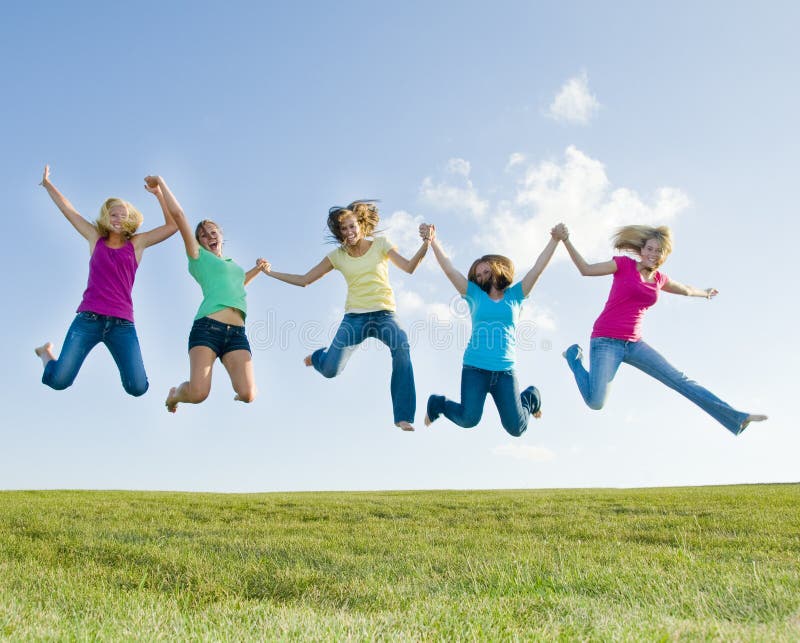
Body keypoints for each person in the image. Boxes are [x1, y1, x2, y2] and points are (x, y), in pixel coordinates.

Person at [557, 223, 767, 435]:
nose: (653, 254)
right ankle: (574, 359)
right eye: (650, 249)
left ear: (663, 255)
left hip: (634, 343)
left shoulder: (659, 279)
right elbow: (586, 269)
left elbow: (685, 290)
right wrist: (566, 240)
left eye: (658, 251)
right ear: (642, 250)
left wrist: (705, 293)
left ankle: (737, 418)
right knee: (595, 402)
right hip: (606, 340)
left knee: (679, 380)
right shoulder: (623, 265)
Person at [261, 201, 430, 431]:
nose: (349, 233)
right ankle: (319, 356)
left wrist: (426, 244)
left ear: (360, 225)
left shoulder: (381, 244)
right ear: (339, 232)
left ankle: (403, 416)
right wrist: (270, 273)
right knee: (331, 370)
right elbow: (304, 280)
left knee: (402, 347)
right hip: (355, 318)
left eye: (352, 227)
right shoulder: (337, 256)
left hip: (385, 315)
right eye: (344, 229)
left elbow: (409, 267)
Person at [35, 166, 178, 396]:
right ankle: (45, 353)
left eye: (124, 215)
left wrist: (159, 194)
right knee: (59, 380)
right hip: (88, 320)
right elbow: (69, 211)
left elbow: (172, 226)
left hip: (122, 325)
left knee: (138, 387)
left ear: (130, 220)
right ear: (106, 217)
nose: (119, 219)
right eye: (114, 214)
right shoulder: (95, 238)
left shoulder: (137, 244)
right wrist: (48, 184)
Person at [423, 223, 562, 436]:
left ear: (497, 269)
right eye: (478, 275)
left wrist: (555, 240)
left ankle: (531, 397)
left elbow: (537, 269)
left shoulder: (516, 295)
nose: (482, 277)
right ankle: (438, 404)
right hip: (475, 368)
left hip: (505, 371)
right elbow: (450, 270)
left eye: (485, 271)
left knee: (516, 428)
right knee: (469, 419)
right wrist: (433, 242)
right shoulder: (473, 295)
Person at [157, 177, 266, 413]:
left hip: (236, 333)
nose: (209, 236)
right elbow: (179, 216)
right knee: (198, 394)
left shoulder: (231, 264)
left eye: (213, 232)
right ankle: (175, 395)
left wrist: (257, 270)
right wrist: (161, 186)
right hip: (207, 328)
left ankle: (239, 396)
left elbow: (238, 284)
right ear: (199, 243)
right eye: (203, 235)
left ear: (221, 235)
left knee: (248, 394)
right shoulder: (198, 257)